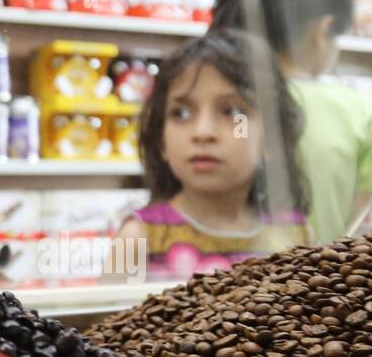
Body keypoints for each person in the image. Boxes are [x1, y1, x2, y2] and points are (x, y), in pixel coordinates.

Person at [210, 0, 372, 243]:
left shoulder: (221, 102)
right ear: (323, 30)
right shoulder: (363, 113)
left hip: (227, 281)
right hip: (327, 284)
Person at [115, 29, 311, 280]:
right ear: (161, 140)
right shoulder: (136, 239)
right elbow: (107, 318)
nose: (203, 132)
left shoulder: (296, 234)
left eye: (232, 112)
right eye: (181, 114)